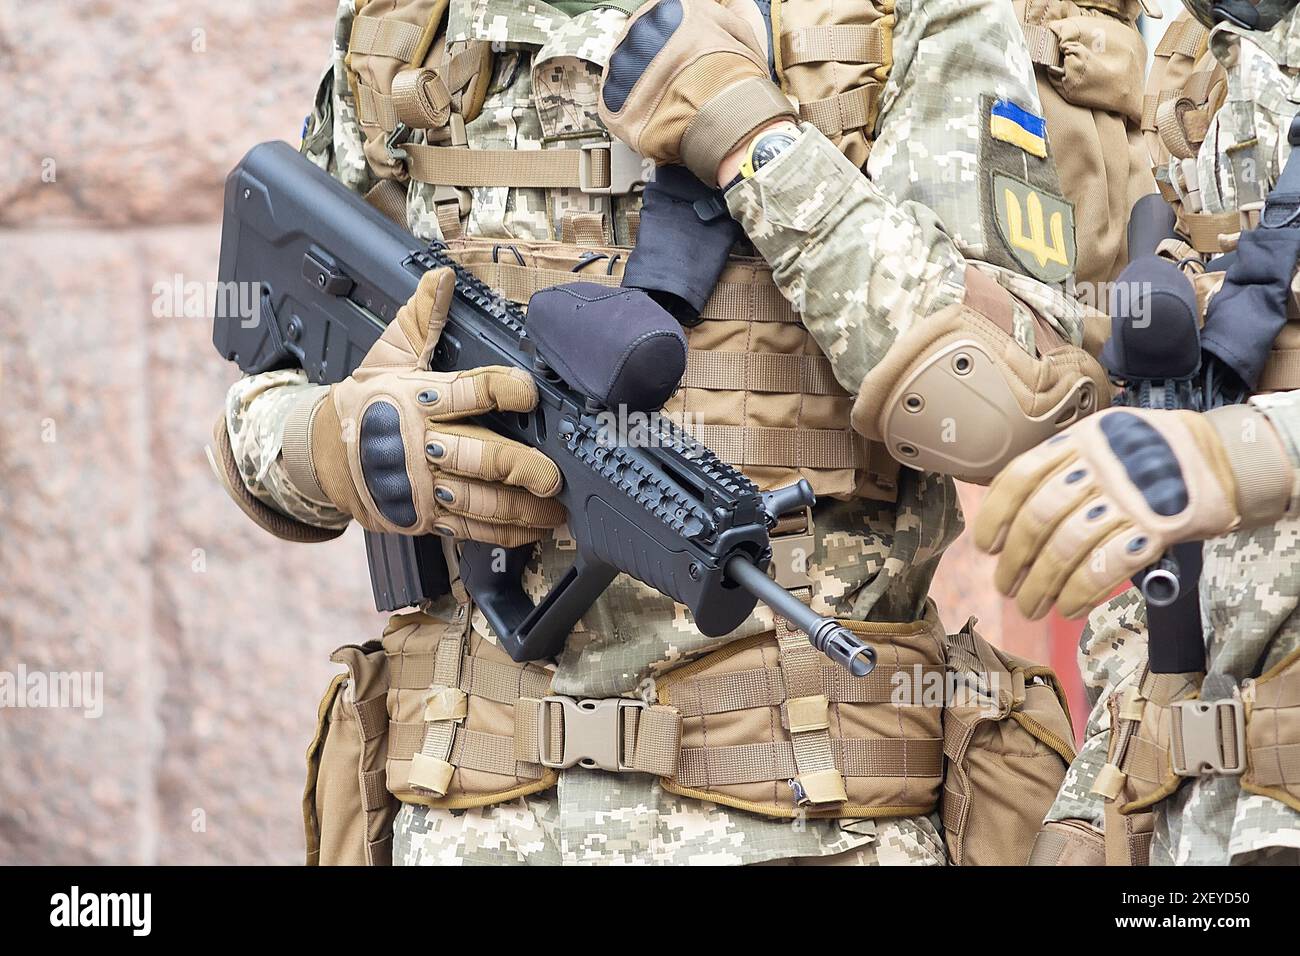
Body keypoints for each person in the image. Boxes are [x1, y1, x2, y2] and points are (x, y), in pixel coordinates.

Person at [212, 0, 1113, 866]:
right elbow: (260, 406)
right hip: (464, 811)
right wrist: (330, 447)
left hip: (810, 820)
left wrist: (754, 141)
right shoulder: (405, 33)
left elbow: (1001, 408)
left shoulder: (889, 20)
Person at [975, 0, 1300, 866]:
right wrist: (1097, 791)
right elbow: (1157, 538)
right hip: (1203, 793)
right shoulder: (1184, 72)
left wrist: (1250, 455)